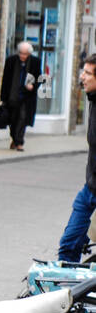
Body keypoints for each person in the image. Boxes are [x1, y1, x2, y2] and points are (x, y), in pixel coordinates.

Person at [57, 54, 96, 261]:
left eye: (87, 73)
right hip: (91, 188)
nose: (82, 77)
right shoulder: (93, 100)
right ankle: (68, 292)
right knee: (69, 245)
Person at [0, 40, 42, 150]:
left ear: (29, 53)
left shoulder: (35, 62)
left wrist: (33, 86)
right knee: (12, 119)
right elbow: (5, 79)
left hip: (26, 97)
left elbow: (39, 78)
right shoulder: (11, 61)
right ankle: (14, 138)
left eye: (25, 54)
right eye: (21, 53)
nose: (23, 56)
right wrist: (3, 97)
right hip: (12, 95)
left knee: (22, 118)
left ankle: (19, 142)